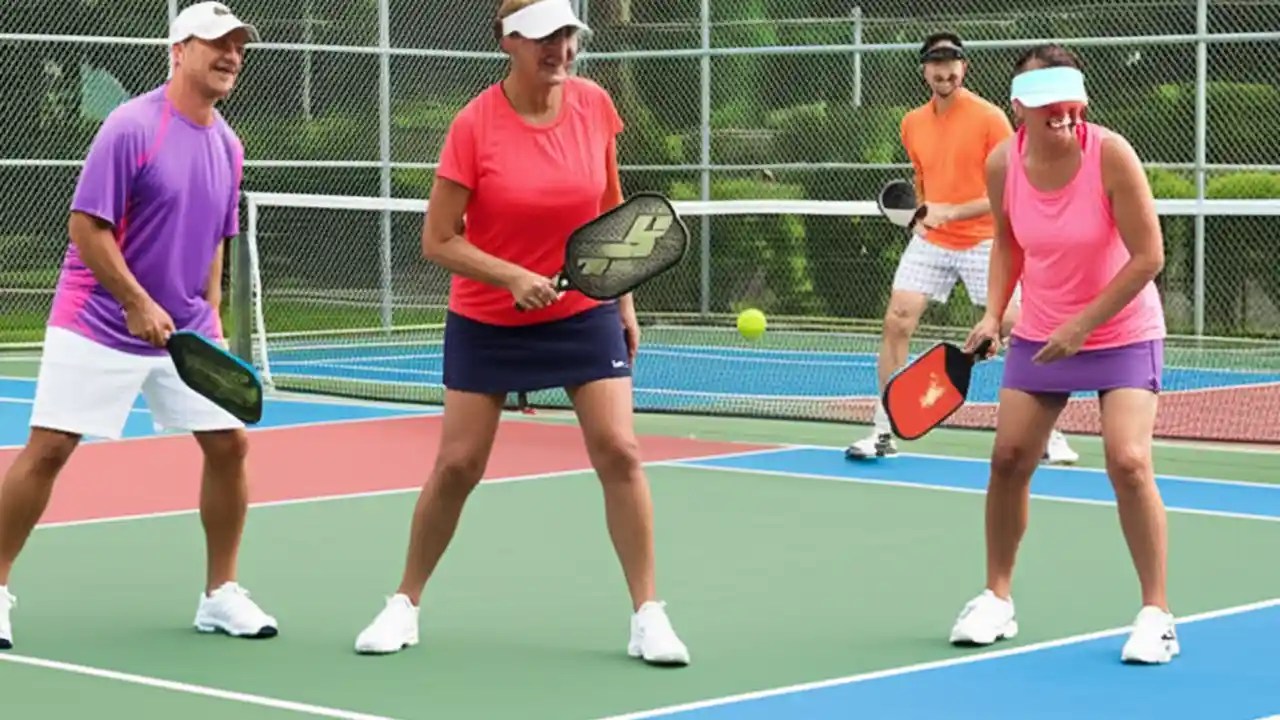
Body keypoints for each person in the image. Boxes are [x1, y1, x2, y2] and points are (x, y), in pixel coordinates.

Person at [352, 0, 690, 666]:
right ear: (505, 41)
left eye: (566, 34)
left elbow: (609, 213)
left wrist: (621, 299)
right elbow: (438, 239)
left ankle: (649, 615)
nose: (558, 49)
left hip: (580, 313)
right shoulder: (473, 126)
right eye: (541, 38)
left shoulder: (594, 107)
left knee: (620, 450)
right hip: (488, 316)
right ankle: (404, 604)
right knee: (458, 466)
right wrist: (509, 276)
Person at [0, 2, 277, 650]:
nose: (231, 55)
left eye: (239, 45)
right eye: (216, 44)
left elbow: (216, 238)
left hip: (181, 328)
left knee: (230, 447)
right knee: (48, 450)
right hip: (96, 318)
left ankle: (220, 595)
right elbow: (87, 227)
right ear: (178, 51)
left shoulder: (229, 145)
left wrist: (209, 314)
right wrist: (133, 301)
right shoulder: (130, 127)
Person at [946, 45, 1176, 664]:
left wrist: (1085, 324)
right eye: (1047, 101)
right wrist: (994, 313)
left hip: (1122, 329)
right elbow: (1008, 245)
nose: (1063, 112)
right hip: (1044, 331)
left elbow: (1149, 256)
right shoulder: (1004, 163)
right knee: (1008, 459)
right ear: (1019, 106)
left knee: (1128, 462)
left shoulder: (1111, 154)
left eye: (1070, 99)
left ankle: (1156, 613)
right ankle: (997, 598)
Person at [845, 32, 1078, 466]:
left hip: (987, 240)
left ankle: (1048, 432)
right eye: (936, 63)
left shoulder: (990, 119)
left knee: (1019, 326)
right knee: (897, 320)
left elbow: (1012, 189)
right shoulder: (911, 123)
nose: (944, 70)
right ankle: (883, 427)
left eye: (952, 62)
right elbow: (921, 184)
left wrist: (953, 212)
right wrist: (921, 213)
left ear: (964, 69)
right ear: (925, 71)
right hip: (931, 241)